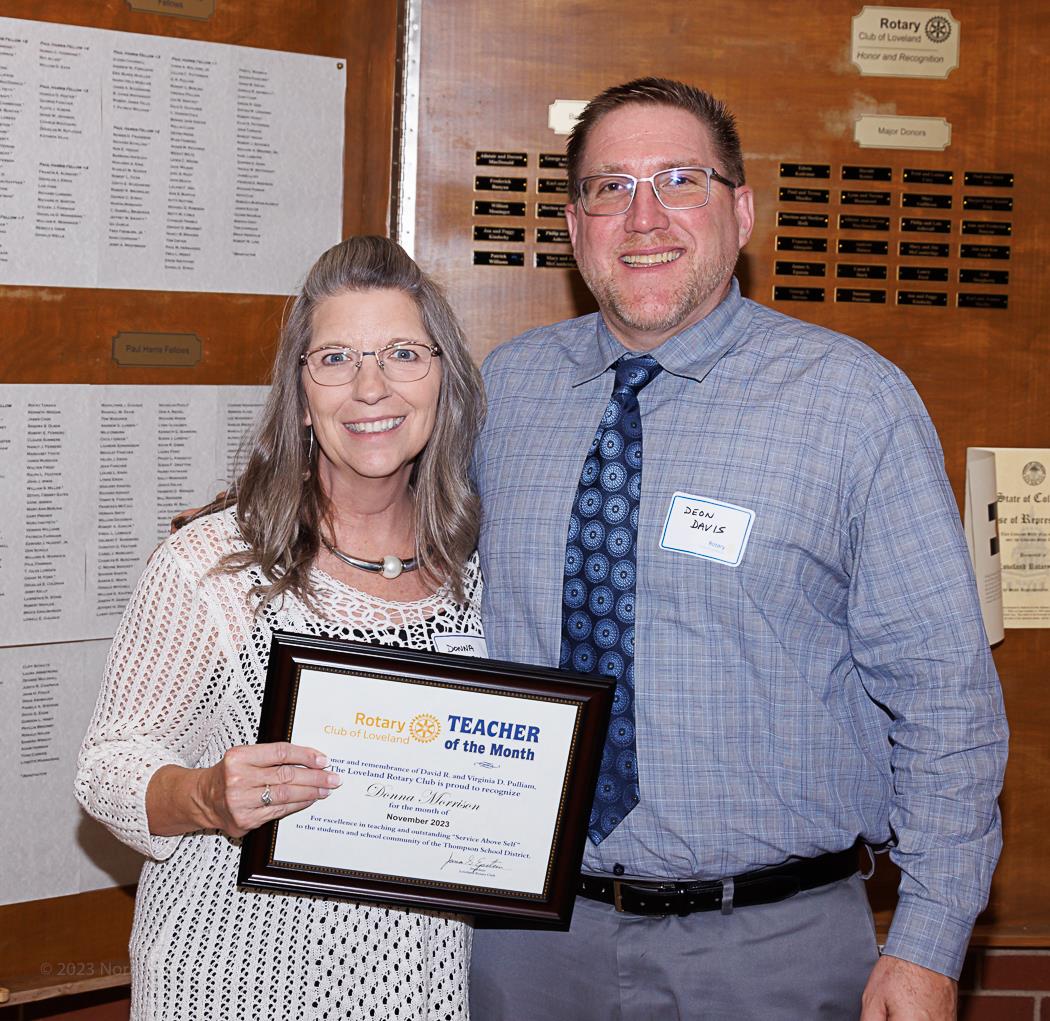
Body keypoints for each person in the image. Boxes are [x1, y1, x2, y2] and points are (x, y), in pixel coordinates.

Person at [470, 78, 1008, 1020]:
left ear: (742, 210)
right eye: (608, 188)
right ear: (571, 223)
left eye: (681, 180)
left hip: (774, 950)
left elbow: (946, 694)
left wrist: (929, 939)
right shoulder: (507, 393)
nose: (643, 217)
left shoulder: (852, 402)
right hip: (532, 942)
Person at [75, 236, 486, 1021]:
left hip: (416, 989)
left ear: (444, 379)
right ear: (300, 393)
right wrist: (205, 796)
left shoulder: (478, 567)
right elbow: (106, 770)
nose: (371, 387)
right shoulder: (217, 562)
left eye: (403, 352)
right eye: (335, 359)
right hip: (234, 984)